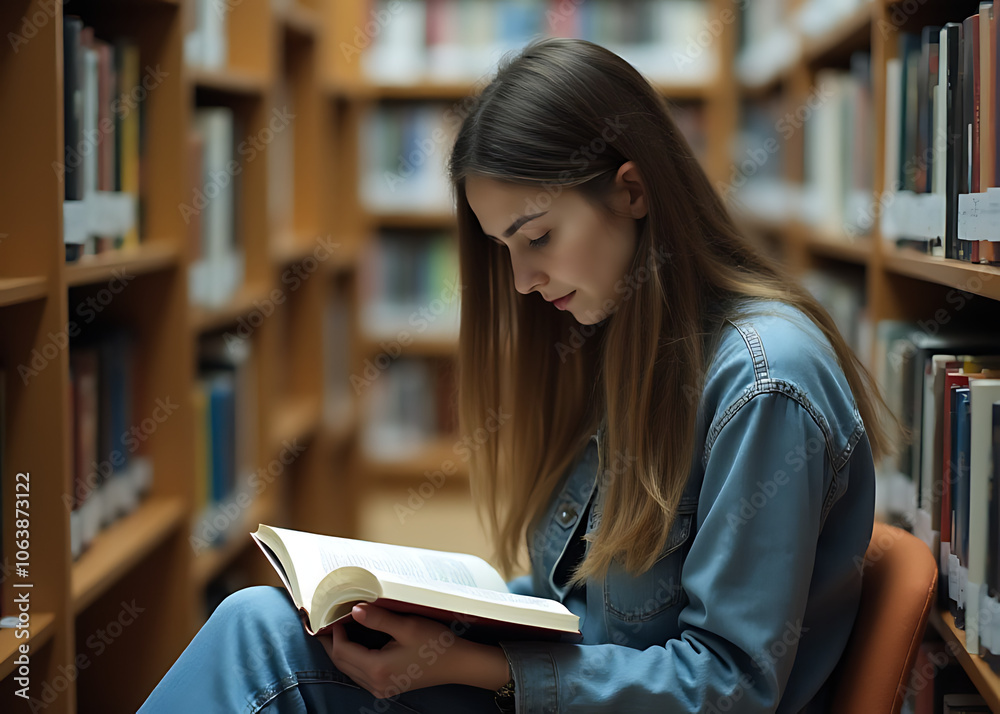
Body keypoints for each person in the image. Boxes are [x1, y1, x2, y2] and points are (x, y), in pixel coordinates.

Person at [139, 36, 899, 713]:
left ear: (632, 191)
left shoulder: (763, 386)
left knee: (259, 646)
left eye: (536, 236)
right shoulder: (625, 337)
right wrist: (438, 622)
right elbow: (577, 605)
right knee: (266, 627)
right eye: (504, 247)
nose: (523, 281)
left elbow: (728, 687)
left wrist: (484, 667)